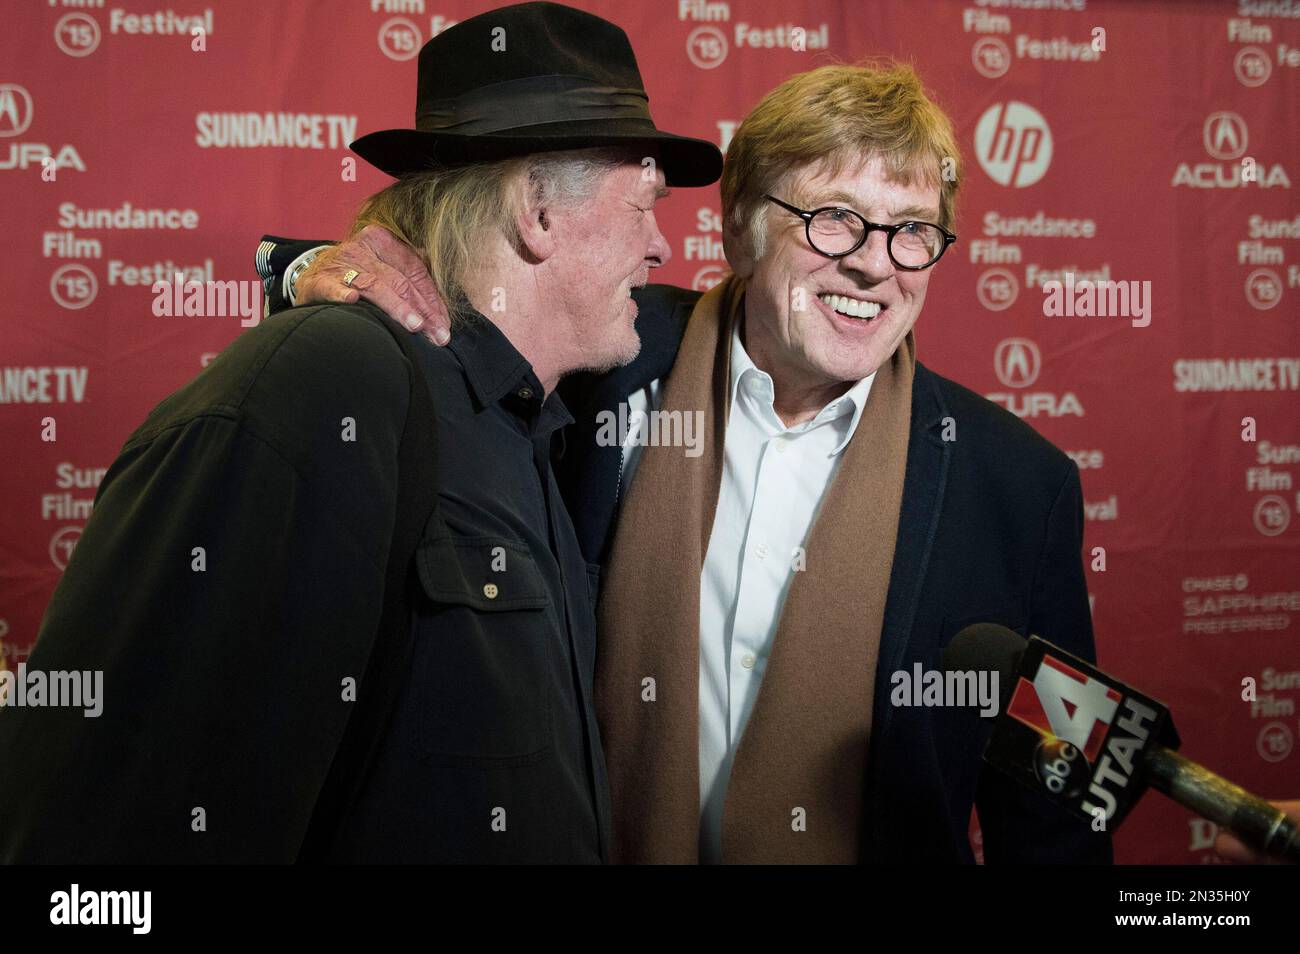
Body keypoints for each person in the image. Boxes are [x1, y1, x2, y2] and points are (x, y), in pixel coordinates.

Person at [262, 62, 1109, 864]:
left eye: (912, 231)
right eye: (836, 218)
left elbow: (1061, 810)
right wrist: (311, 267)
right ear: (740, 227)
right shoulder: (606, 353)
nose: (874, 262)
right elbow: (446, 284)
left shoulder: (1018, 487)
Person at [0, 2, 720, 863]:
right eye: (644, 206)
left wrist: (295, 258)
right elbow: (97, 837)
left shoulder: (539, 428)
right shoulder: (327, 385)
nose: (663, 248)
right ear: (538, 211)